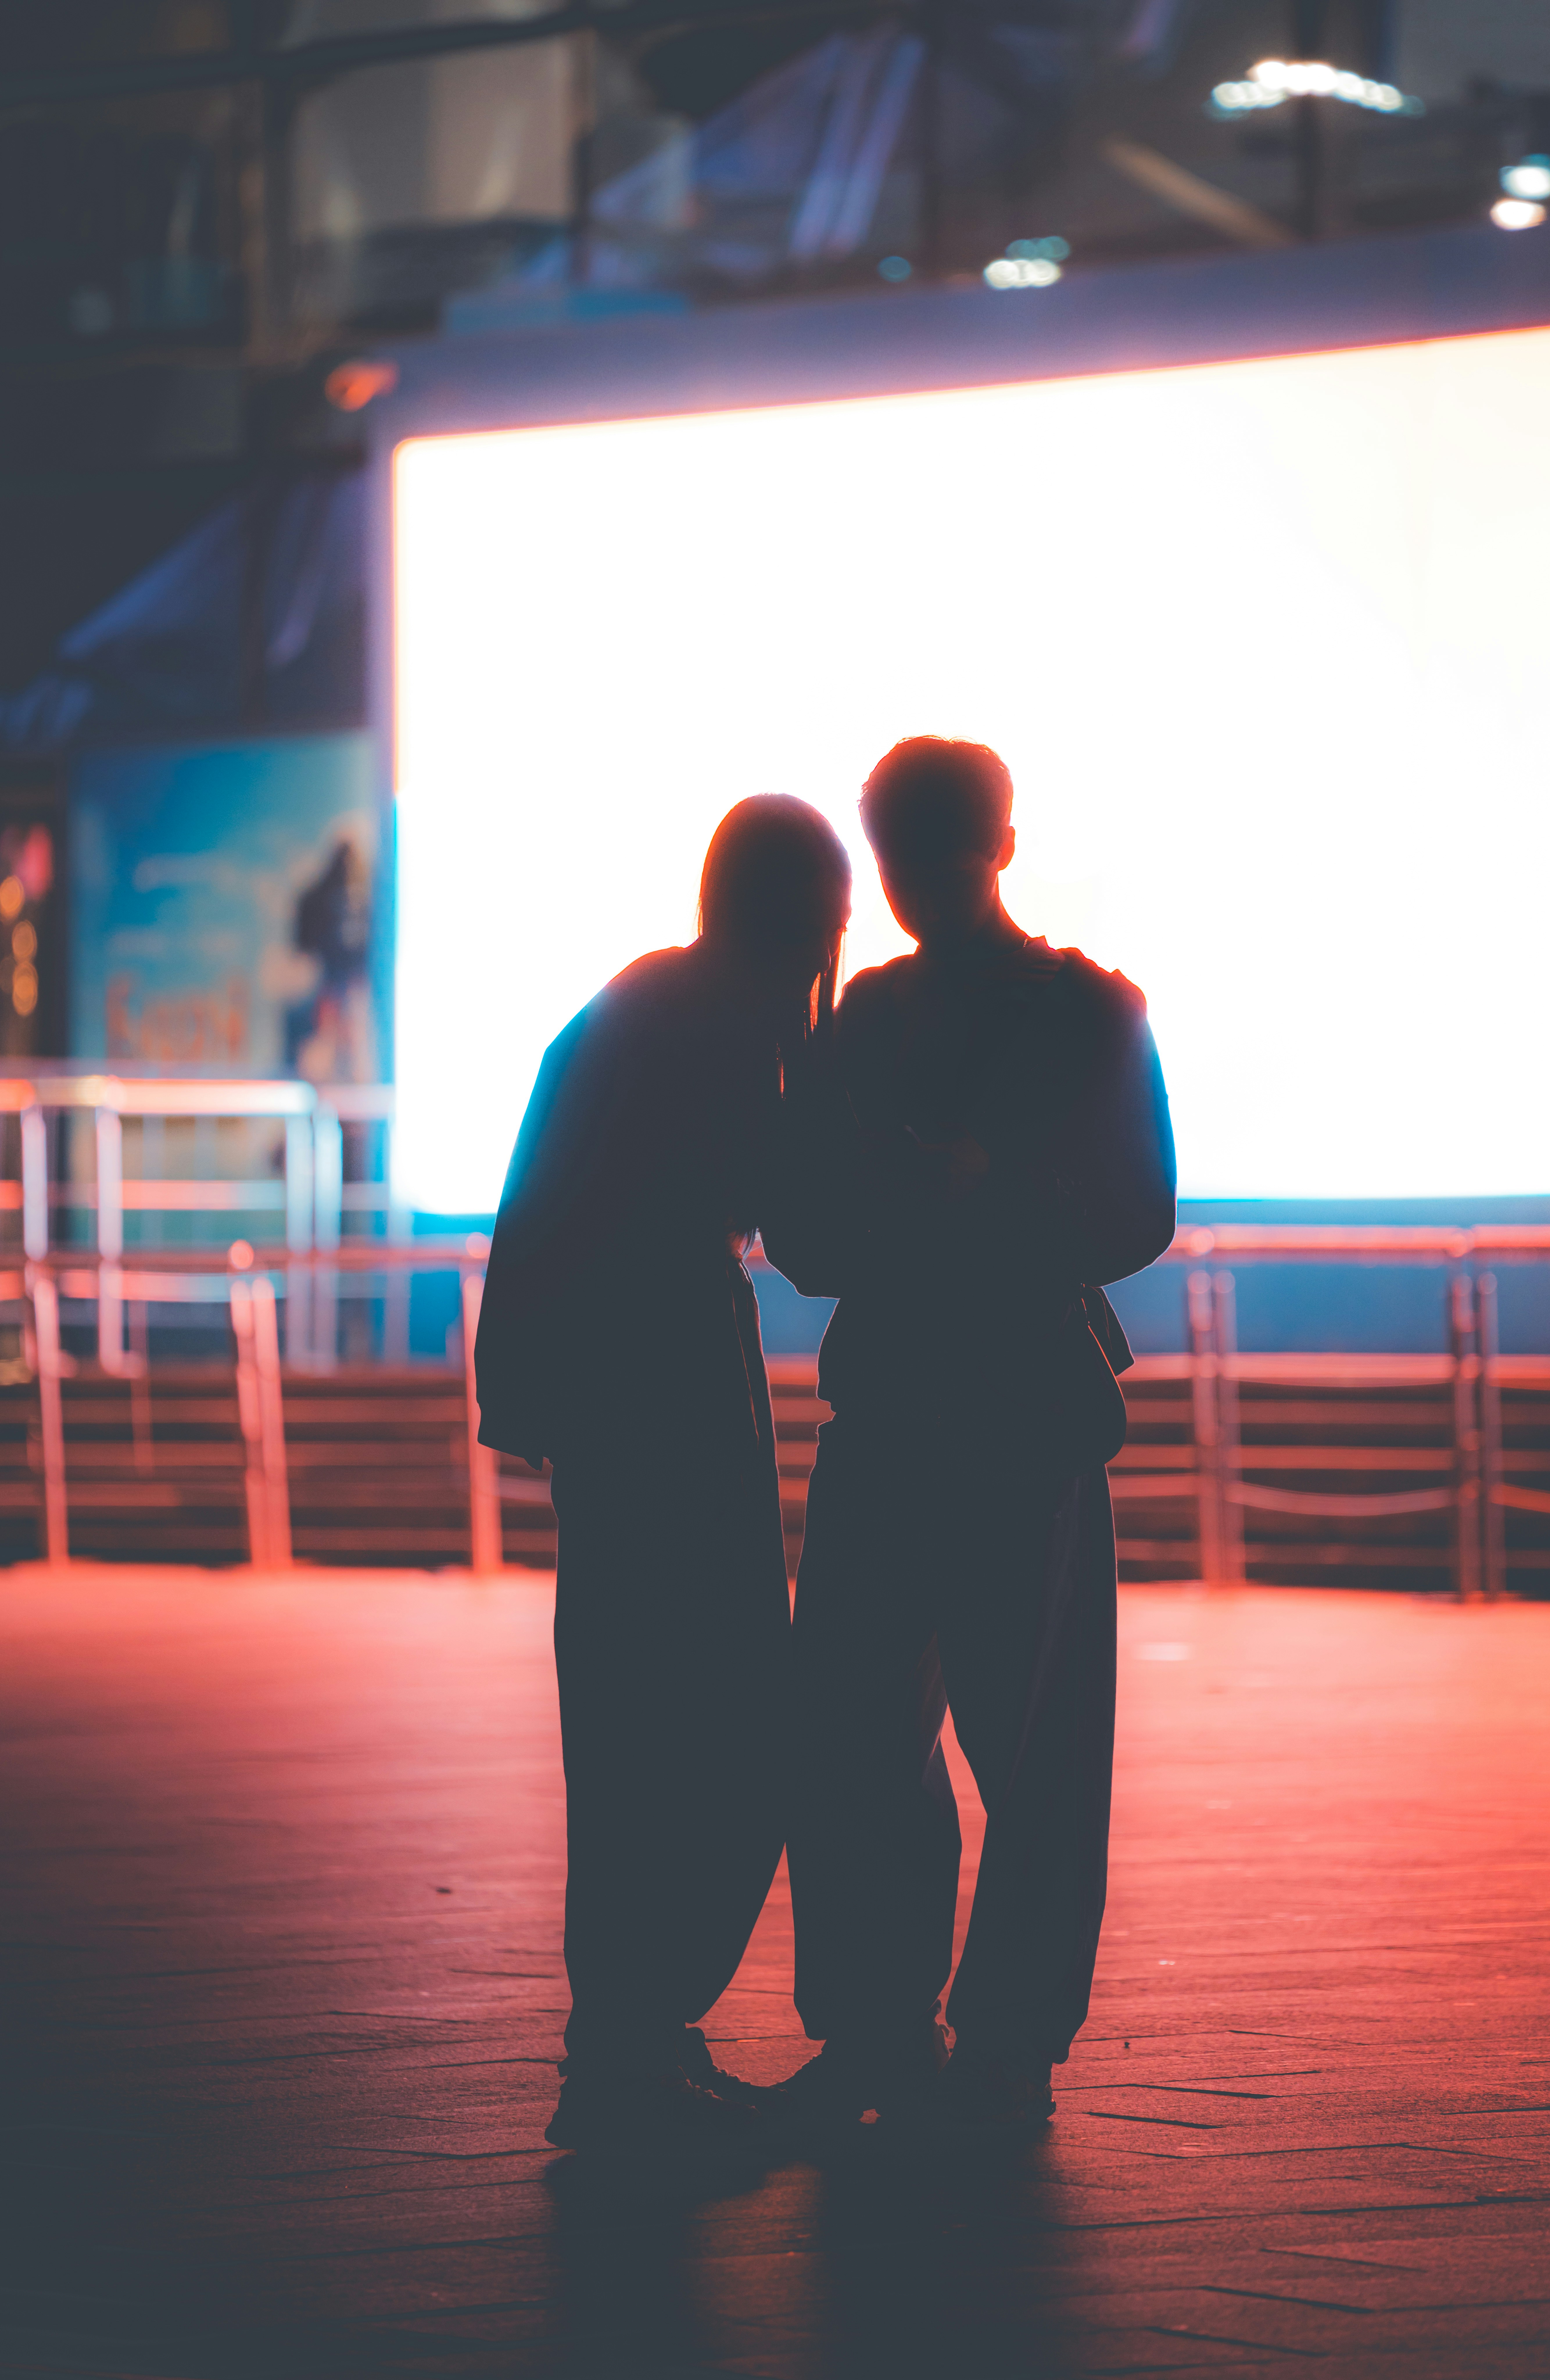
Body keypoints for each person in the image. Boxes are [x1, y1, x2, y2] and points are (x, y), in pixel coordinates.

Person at [761, 737, 1176, 2130]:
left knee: (855, 1726)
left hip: (889, 1406)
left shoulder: (862, 1028)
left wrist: (918, 1200)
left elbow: (806, 1236)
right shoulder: (1091, 1019)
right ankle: (1005, 2040)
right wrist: (999, 1196)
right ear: (1003, 838)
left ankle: (879, 2024)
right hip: (1024, 1412)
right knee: (1037, 1744)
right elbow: (1131, 1217)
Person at [474, 795, 852, 2147]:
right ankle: (639, 2033)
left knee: (631, 1721)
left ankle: (626, 2038)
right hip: (672, 1386)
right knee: (728, 1711)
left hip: (606, 1398)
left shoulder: (637, 1009)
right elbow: (800, 1222)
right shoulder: (722, 1030)